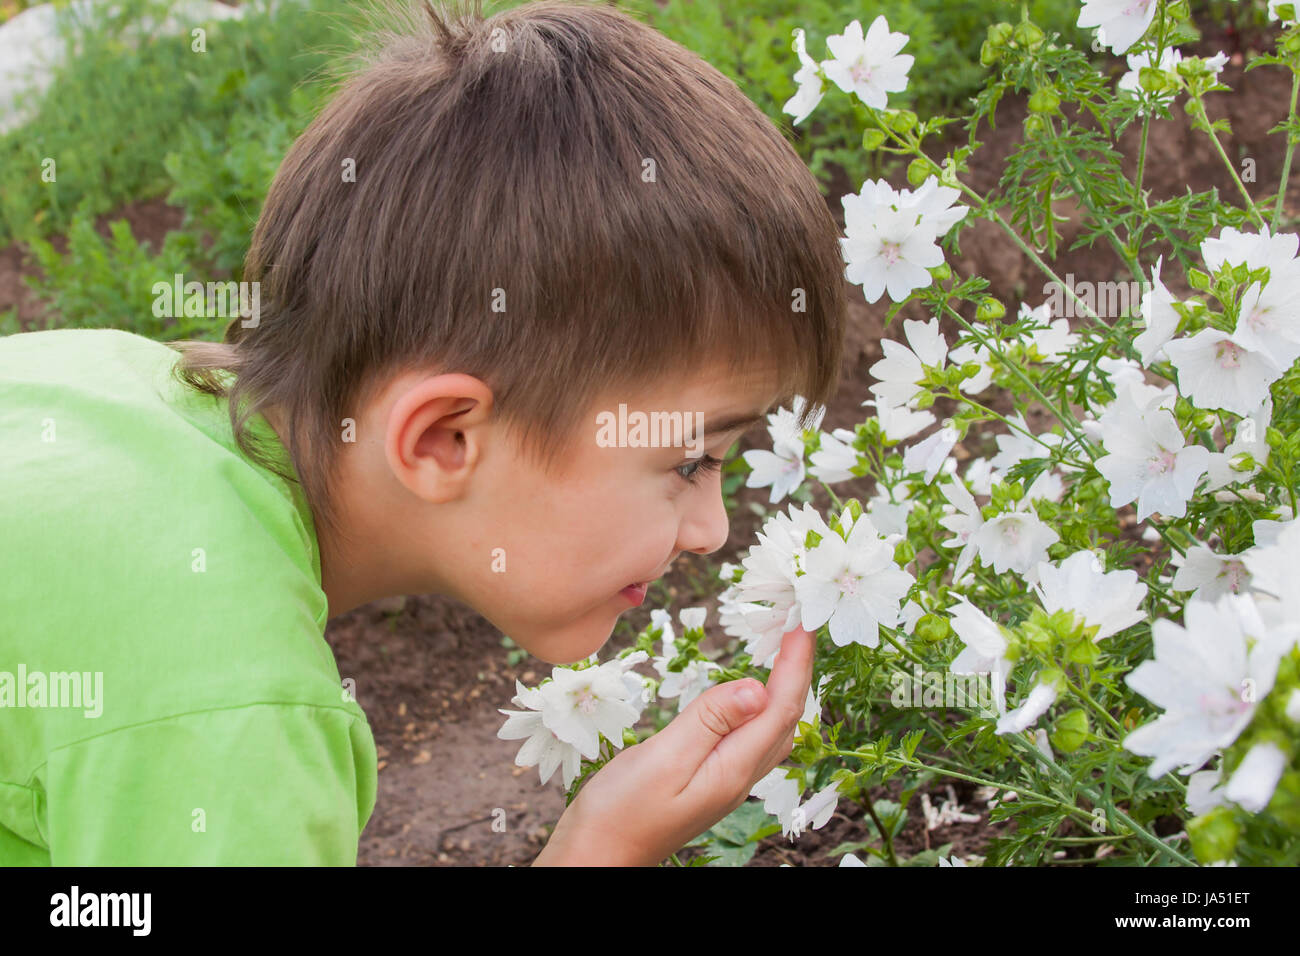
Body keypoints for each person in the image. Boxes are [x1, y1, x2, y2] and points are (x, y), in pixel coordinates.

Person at [0, 0, 845, 865]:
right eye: (690, 460)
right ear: (443, 440)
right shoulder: (223, 720)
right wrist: (599, 848)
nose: (711, 530)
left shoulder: (87, 382)